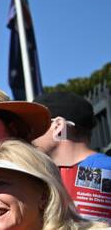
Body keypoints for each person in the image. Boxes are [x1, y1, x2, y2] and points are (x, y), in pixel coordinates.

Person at [33, 91, 111, 222]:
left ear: (58, 127)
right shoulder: (40, 175)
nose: (28, 133)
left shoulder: (107, 168)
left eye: (35, 125)